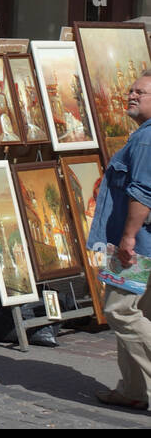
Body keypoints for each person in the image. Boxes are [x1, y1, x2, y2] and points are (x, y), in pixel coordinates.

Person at [87, 70, 151, 412]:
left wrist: (127, 238)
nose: (131, 95)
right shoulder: (143, 135)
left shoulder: (145, 139)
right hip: (146, 245)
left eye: (140, 92)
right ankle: (134, 389)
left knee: (120, 311)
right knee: (142, 313)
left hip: (137, 246)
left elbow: (142, 194)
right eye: (130, 90)